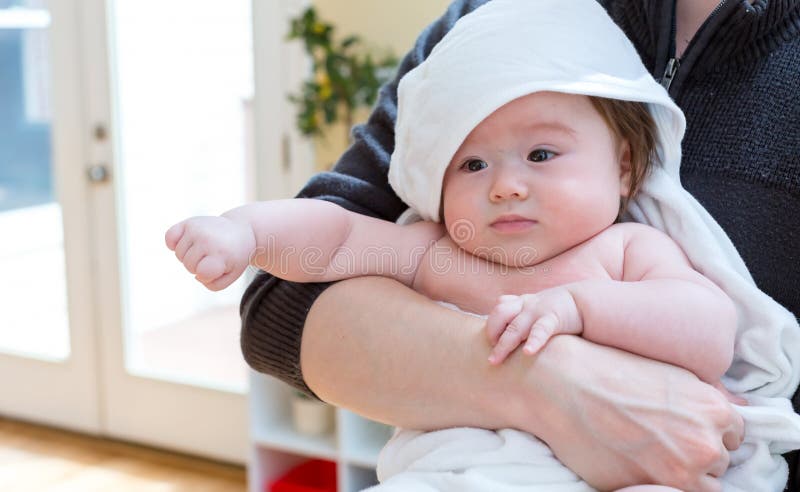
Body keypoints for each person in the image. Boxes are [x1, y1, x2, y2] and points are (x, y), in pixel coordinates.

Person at [237, 0, 800, 490]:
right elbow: (321, 255)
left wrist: (580, 307)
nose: (505, 185)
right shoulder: (440, 250)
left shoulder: (626, 251)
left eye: (541, 155)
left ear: (624, 167)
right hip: (459, 474)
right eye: (473, 164)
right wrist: (247, 232)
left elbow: (710, 331)